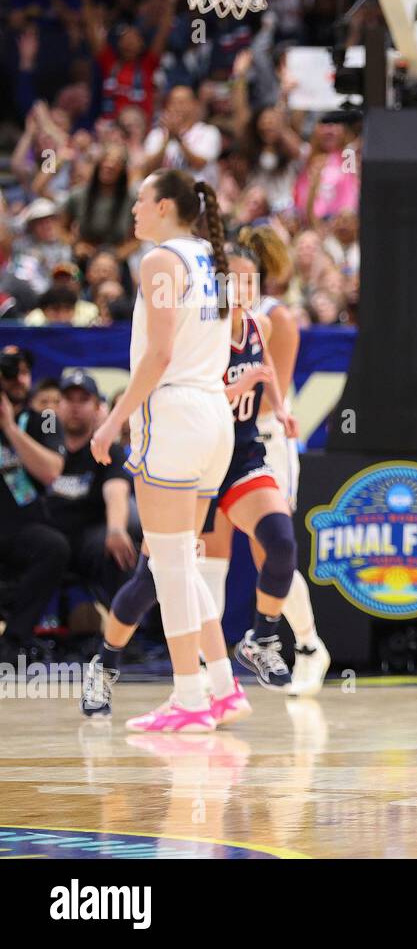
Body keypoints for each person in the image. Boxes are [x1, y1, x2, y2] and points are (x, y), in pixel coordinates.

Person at [82, 234, 332, 720]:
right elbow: (159, 375)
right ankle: (105, 663)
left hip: (238, 455)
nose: (241, 286)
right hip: (193, 456)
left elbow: (264, 371)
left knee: (281, 542)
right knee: (156, 578)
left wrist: (278, 406)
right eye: (231, 278)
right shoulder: (199, 333)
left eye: (247, 278)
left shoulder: (261, 323)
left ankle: (261, 639)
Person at [86, 168, 235, 732]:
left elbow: (159, 354)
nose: (135, 211)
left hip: (172, 414)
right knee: (181, 562)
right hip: (213, 413)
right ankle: (221, 684)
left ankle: (190, 699)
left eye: (142, 201)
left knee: (168, 566)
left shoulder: (158, 261)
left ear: (167, 206)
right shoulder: (215, 255)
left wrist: (111, 423)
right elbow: (237, 331)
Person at [242, 226, 326, 686]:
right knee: (209, 547)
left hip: (268, 439)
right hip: (227, 438)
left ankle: (310, 646)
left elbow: (273, 392)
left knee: (269, 553)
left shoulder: (277, 316)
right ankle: (203, 665)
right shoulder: (224, 314)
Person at [45, 371, 138, 615]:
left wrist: (117, 529)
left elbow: (117, 489)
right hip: (48, 534)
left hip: (88, 536)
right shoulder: (42, 447)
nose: (75, 407)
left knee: (120, 550)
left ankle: (123, 639)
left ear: (97, 407)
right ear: (58, 405)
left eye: (83, 400)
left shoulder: (107, 450)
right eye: (69, 399)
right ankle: (20, 638)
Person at [0, 345, 67, 658]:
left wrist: (10, 429)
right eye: (10, 373)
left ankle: (13, 640)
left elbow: (52, 470)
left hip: (23, 526)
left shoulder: (47, 419)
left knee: (54, 547)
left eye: (24, 372)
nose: (18, 379)